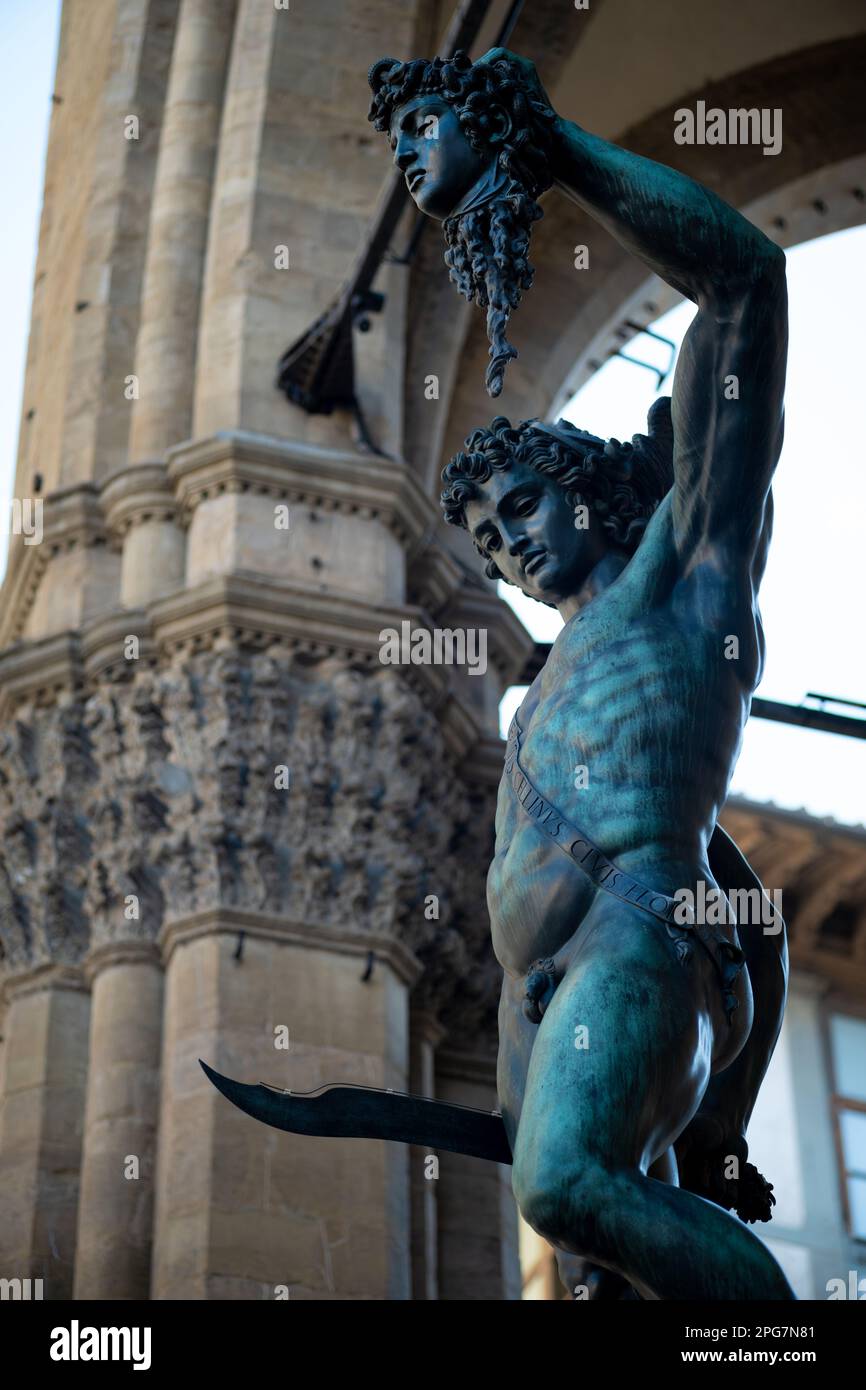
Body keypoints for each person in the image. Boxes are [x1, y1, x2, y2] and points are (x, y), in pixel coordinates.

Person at [376, 46, 793, 1300]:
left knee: (564, 1184)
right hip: (532, 993)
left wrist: (547, 147)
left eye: (522, 507)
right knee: (568, 1278)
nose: (505, 544)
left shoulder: (685, 568)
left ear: (598, 497)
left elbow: (741, 284)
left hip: (636, 940)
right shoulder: (544, 677)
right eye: (488, 536)